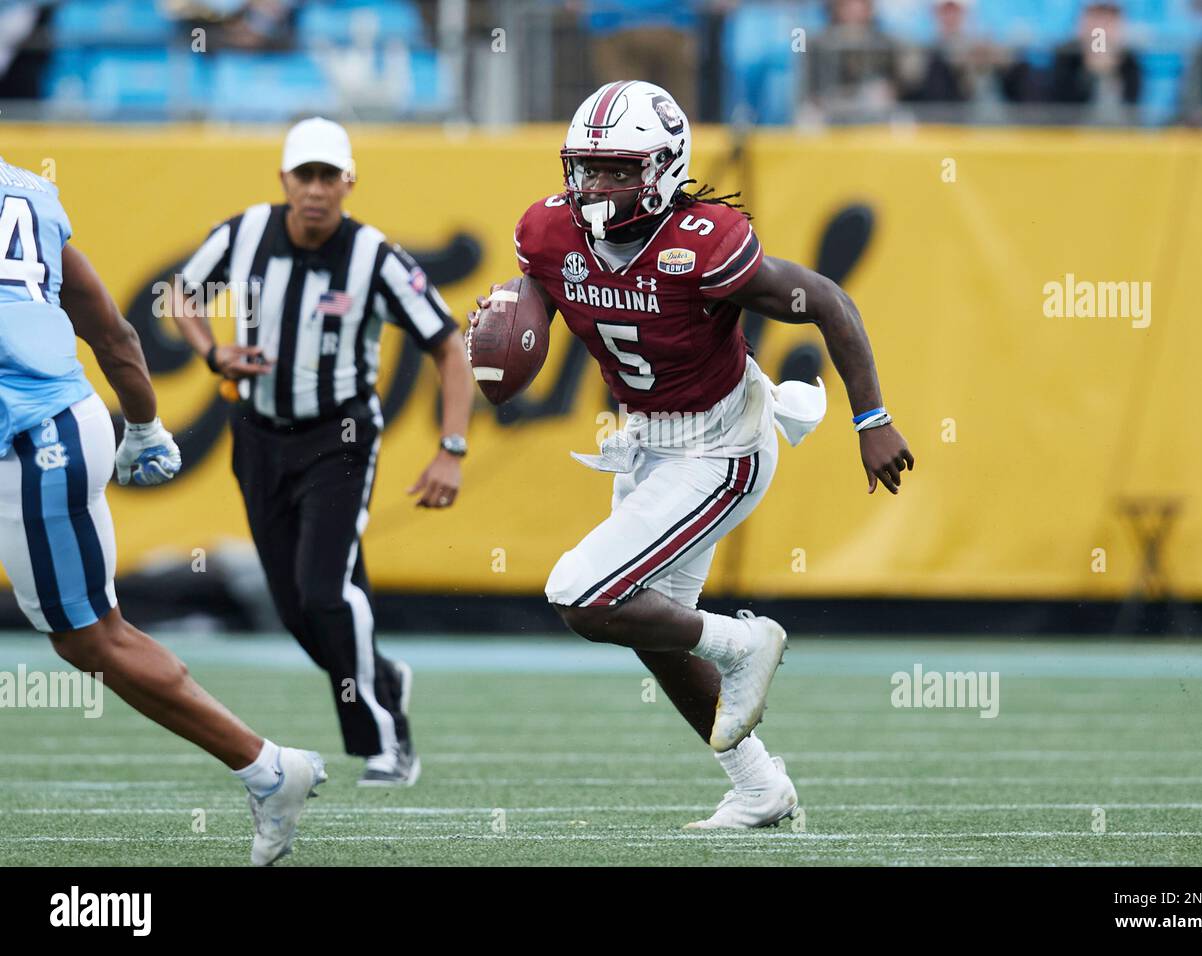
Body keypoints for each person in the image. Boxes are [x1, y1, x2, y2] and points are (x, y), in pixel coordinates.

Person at [473, 81, 913, 829]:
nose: (598, 186)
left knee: (581, 592)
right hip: (648, 443)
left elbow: (830, 301)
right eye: (587, 168)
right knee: (651, 626)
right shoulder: (549, 233)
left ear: (665, 166)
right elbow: (533, 303)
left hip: (723, 445)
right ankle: (760, 787)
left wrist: (872, 417)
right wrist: (499, 333)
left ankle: (745, 642)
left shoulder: (703, 242)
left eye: (619, 170)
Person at [0, 156, 324, 865]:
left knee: (92, 639)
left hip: (30, 434)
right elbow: (111, 332)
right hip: (61, 417)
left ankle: (269, 768)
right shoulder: (27, 196)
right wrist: (143, 425)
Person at [168, 117, 474, 786]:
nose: (314, 190)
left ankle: (387, 740)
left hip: (337, 437)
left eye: (326, 177)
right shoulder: (244, 233)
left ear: (348, 182)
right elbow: (181, 293)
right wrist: (212, 350)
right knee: (295, 607)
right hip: (256, 433)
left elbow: (449, 345)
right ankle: (384, 673)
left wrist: (451, 447)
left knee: (324, 591)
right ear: (284, 180)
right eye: (303, 175)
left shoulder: (374, 257)